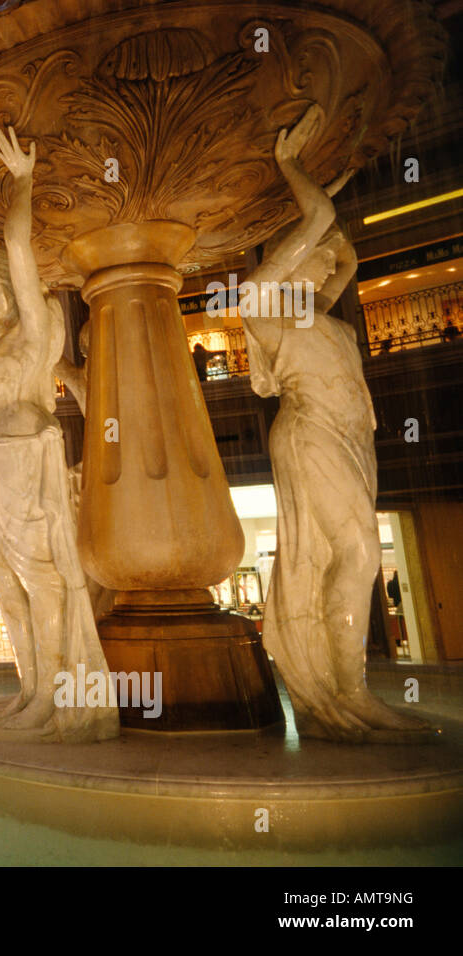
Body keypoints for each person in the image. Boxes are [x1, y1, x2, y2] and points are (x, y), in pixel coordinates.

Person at [240, 105, 429, 741]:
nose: (329, 263)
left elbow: (340, 248)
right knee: (355, 554)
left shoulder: (330, 321)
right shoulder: (267, 309)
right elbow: (322, 227)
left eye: (326, 259)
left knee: (344, 554)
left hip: (351, 437)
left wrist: (323, 203)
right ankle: (348, 692)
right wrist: (292, 170)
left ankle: (338, 690)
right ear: (289, 263)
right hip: (311, 433)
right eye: (313, 257)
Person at [0, 126, 116, 743]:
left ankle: (61, 696)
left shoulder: (38, 332)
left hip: (30, 475)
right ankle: (32, 690)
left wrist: (24, 179)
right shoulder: (2, 337)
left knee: (43, 580)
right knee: (6, 583)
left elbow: (15, 242)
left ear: (16, 290)